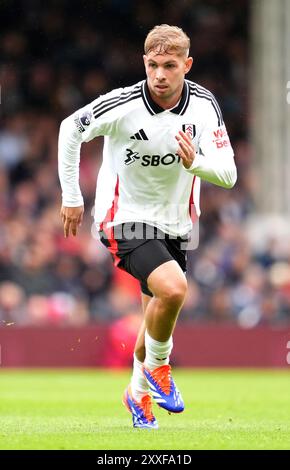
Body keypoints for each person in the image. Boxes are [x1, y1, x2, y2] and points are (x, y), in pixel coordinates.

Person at [58, 24, 237, 429]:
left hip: (175, 224)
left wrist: (197, 164)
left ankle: (137, 396)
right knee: (173, 289)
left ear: (186, 65)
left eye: (169, 65)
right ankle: (159, 370)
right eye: (152, 64)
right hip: (123, 218)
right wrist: (72, 196)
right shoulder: (121, 105)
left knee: (154, 316)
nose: (159, 74)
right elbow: (70, 128)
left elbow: (227, 175)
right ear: (144, 62)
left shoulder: (205, 106)